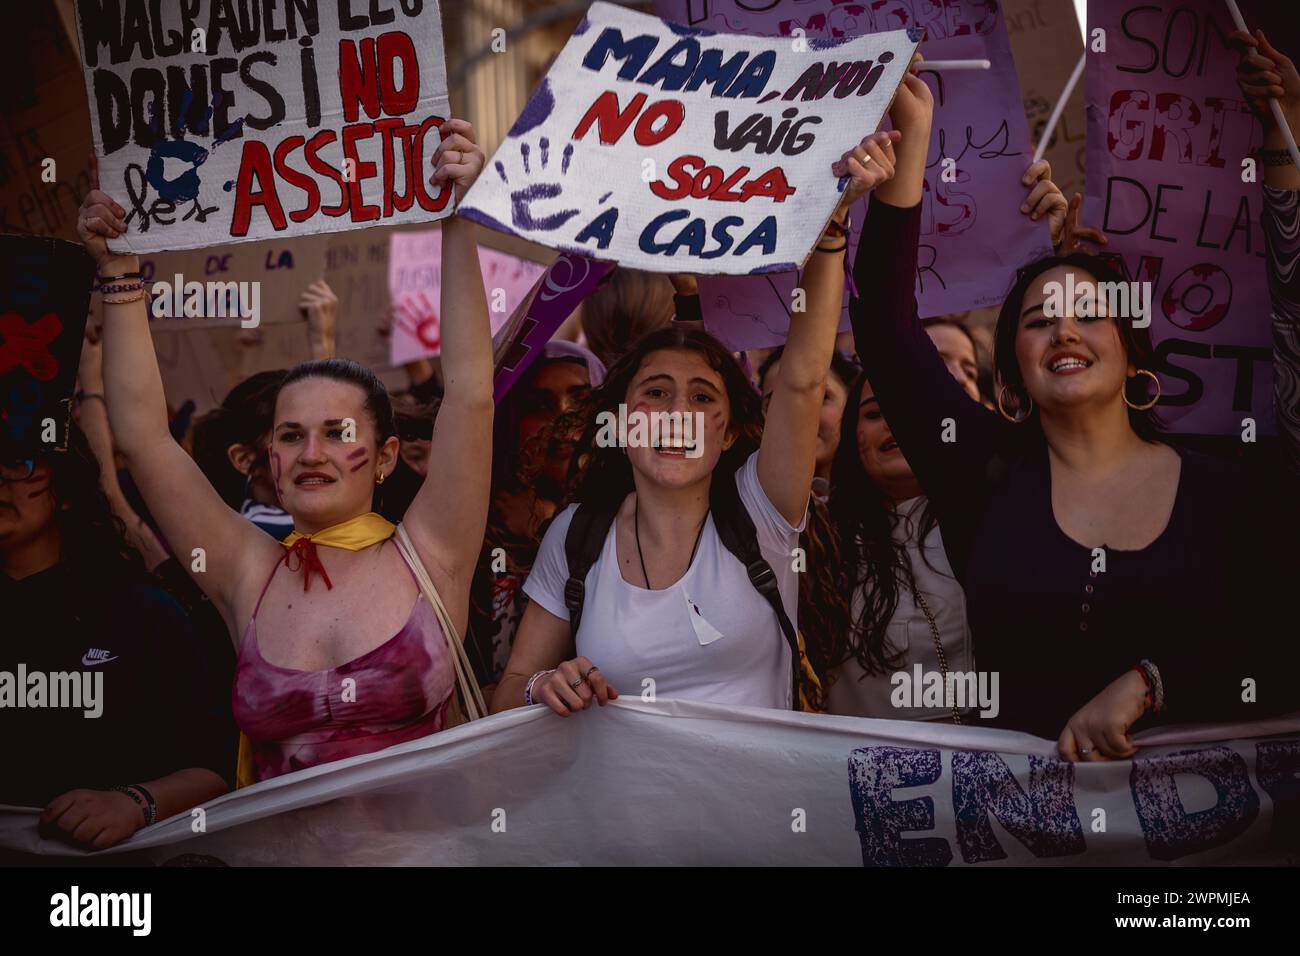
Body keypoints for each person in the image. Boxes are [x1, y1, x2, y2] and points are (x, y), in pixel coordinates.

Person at [848, 57, 1300, 758]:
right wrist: (912, 134)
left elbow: (1280, 640)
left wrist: (1149, 683)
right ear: (1014, 376)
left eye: (1089, 312)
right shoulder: (982, 473)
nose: (1063, 329)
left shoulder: (1229, 483)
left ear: (1133, 353)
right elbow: (885, 325)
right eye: (1038, 320)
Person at [78, 119, 495, 783]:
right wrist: (121, 270)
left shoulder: (434, 553)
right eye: (291, 435)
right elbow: (145, 441)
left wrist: (456, 218)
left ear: (386, 457)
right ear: (267, 456)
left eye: (339, 433)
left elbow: (471, 393)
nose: (311, 452)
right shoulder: (248, 572)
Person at [493, 127, 903, 716]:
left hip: (760, 810)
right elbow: (511, 689)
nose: (677, 413)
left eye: (703, 397)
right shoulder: (576, 537)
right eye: (656, 392)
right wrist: (543, 687)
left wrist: (832, 223)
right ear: (624, 419)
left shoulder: (760, 508)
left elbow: (804, 378)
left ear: (732, 429)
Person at [2, 425, 231, 848]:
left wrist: (134, 803)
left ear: (67, 488)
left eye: (17, 463)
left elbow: (216, 768)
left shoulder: (142, 613)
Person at [467, 341, 606, 697]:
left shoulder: (629, 525)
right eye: (540, 405)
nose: (562, 416)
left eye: (580, 400)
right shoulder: (470, 536)